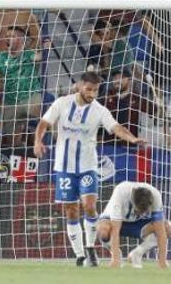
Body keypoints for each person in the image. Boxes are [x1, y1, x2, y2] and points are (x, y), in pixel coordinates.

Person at [34, 71, 146, 267]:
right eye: (88, 89)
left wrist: (133, 139)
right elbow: (44, 122)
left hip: (88, 166)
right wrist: (37, 141)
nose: (92, 94)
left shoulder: (99, 110)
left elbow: (116, 128)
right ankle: (79, 255)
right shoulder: (62, 103)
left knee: (89, 206)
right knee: (70, 210)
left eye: (96, 90)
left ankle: (90, 248)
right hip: (64, 167)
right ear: (79, 85)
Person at [96, 181, 171, 269]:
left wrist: (162, 261)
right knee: (102, 231)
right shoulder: (120, 192)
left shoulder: (155, 195)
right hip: (116, 223)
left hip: (138, 225)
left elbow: (161, 231)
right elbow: (115, 230)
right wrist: (115, 259)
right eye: (139, 211)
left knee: (167, 228)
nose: (141, 213)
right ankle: (117, 255)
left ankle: (136, 254)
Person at [0, 27, 45, 145]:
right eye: (7, 36)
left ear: (21, 39)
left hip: (30, 97)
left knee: (44, 118)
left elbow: (40, 57)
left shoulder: (29, 54)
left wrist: (46, 48)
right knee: (11, 140)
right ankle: (19, 149)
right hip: (10, 101)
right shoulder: (1, 57)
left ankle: (46, 144)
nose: (8, 39)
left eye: (12, 36)